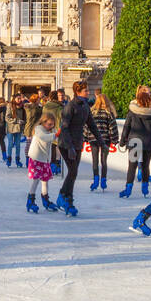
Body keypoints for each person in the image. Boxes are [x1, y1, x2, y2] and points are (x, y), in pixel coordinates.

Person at [56, 80, 102, 216]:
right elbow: (64, 128)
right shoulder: (70, 106)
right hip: (66, 144)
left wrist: (101, 142)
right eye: (86, 91)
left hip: (77, 143)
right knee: (72, 171)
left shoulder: (85, 106)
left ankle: (63, 196)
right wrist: (69, 147)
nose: (88, 92)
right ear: (78, 92)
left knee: (73, 172)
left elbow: (92, 125)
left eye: (88, 90)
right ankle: (67, 200)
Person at [119, 85, 151, 198]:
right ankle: (145, 187)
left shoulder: (133, 111)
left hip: (135, 142)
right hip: (148, 142)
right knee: (145, 166)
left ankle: (128, 189)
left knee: (132, 166)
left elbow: (127, 126)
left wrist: (122, 141)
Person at [25, 113, 60, 212]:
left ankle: (45, 200)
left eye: (53, 124)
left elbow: (56, 138)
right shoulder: (38, 129)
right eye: (49, 124)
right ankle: (30, 201)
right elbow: (44, 137)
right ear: (43, 122)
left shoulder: (51, 130)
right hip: (36, 158)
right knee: (36, 180)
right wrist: (56, 134)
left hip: (44, 159)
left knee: (45, 180)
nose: (51, 126)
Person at [85, 92, 117, 191]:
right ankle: (103, 180)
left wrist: (85, 137)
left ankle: (95, 180)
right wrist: (114, 139)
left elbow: (86, 125)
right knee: (104, 161)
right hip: (105, 139)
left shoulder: (92, 112)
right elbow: (113, 127)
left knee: (95, 160)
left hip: (93, 138)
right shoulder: (108, 113)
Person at [6, 96, 26, 167]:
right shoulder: (10, 106)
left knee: (18, 145)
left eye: (20, 98)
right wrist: (16, 121)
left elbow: (24, 118)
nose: (20, 100)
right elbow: (7, 118)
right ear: (14, 99)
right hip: (11, 128)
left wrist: (23, 125)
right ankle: (9, 158)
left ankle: (17, 160)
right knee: (10, 144)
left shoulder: (22, 107)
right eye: (18, 98)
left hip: (18, 129)